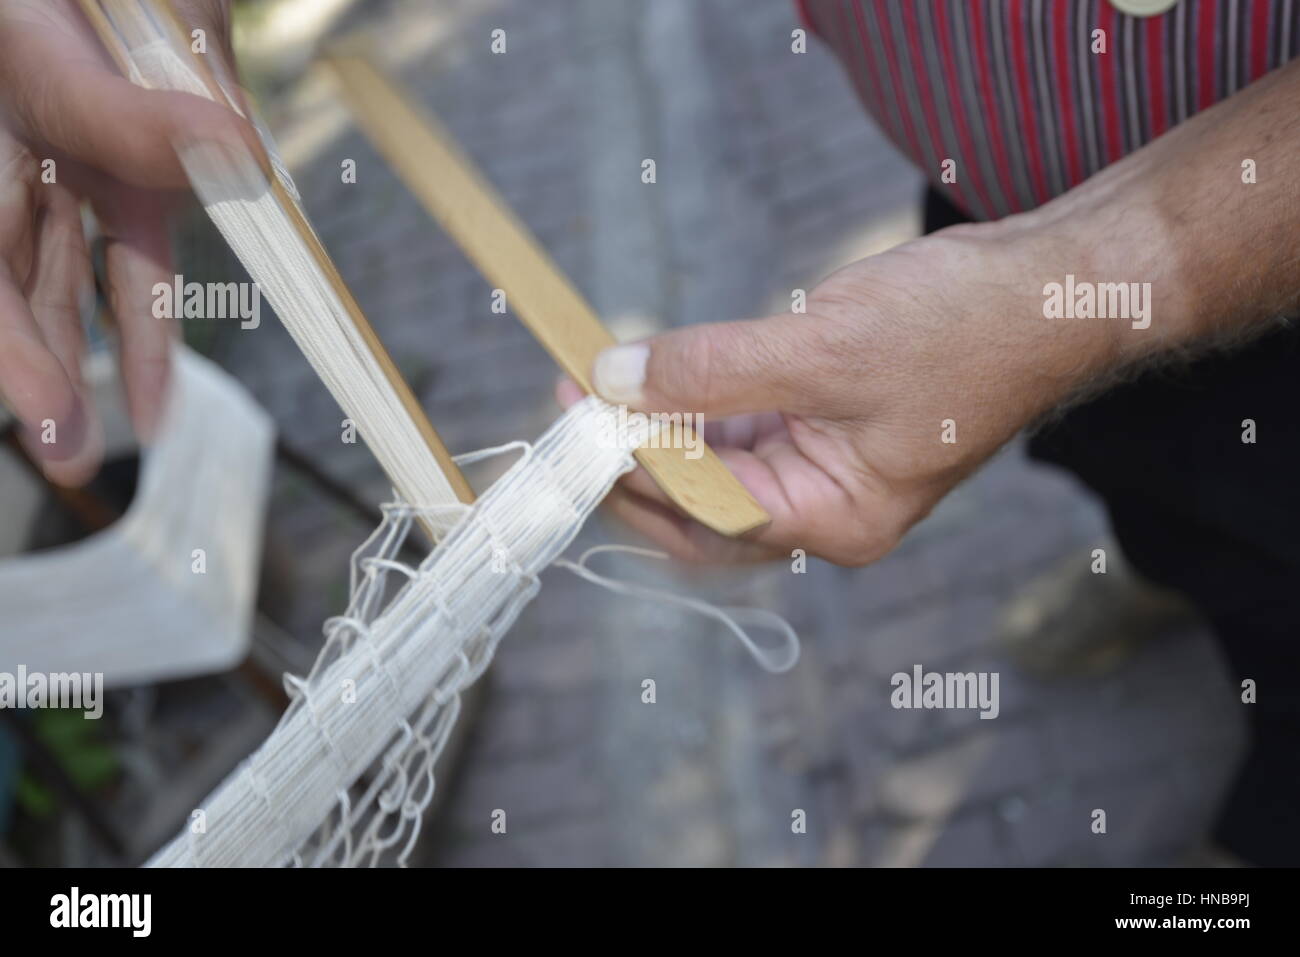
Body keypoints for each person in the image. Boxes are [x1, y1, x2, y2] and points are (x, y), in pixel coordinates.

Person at [564, 1, 1300, 866]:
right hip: (990, 211)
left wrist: (1071, 284)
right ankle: (1165, 564)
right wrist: (1027, 293)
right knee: (1122, 465)